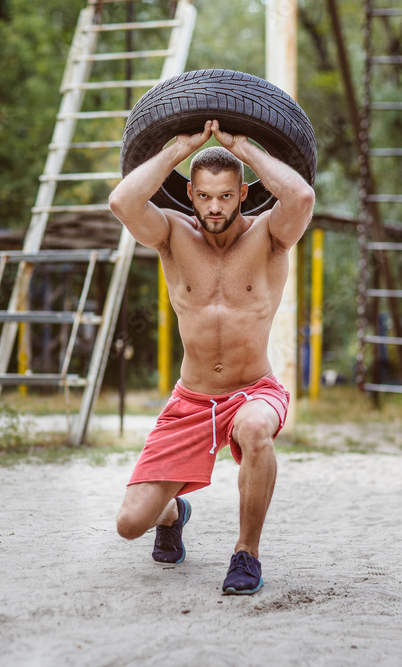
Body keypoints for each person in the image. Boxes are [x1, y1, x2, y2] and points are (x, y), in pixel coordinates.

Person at [108, 119, 315, 595]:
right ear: (189, 194)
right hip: (192, 400)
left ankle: (246, 554)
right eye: (204, 196)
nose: (214, 207)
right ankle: (174, 512)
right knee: (129, 524)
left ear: (244, 193)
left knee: (256, 429)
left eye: (225, 195)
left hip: (254, 390)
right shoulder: (171, 237)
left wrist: (245, 146)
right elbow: (122, 201)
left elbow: (302, 197)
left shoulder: (271, 237)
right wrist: (178, 148)